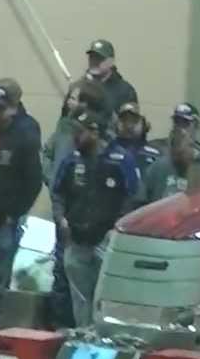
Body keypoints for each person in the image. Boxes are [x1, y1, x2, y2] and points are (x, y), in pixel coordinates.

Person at [53, 110, 140, 327]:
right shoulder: (71, 160)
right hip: (77, 239)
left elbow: (133, 197)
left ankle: (105, 339)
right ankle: (84, 335)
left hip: (107, 241)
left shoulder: (121, 160)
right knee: (80, 298)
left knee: (107, 296)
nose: (75, 137)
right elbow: (58, 193)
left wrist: (119, 229)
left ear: (94, 132)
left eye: (80, 132)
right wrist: (60, 218)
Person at [0, 78, 42, 334]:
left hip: (3, 221)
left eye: (0, 107)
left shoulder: (24, 136)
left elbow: (33, 181)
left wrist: (14, 213)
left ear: (13, 108)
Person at [41, 78, 106, 329]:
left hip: (93, 225)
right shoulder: (62, 131)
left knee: (93, 279)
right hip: (66, 216)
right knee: (62, 272)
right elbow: (47, 156)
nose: (70, 101)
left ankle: (90, 328)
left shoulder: (101, 143)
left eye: (77, 98)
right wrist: (50, 177)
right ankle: (63, 325)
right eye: (70, 96)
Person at [134, 126, 200, 209]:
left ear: (192, 147)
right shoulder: (158, 167)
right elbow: (140, 199)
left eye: (182, 152)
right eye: (175, 153)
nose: (177, 157)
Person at [83, 39, 138, 126]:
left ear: (111, 62)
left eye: (100, 58)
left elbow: (129, 129)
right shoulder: (79, 87)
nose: (94, 61)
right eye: (92, 57)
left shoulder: (125, 91)